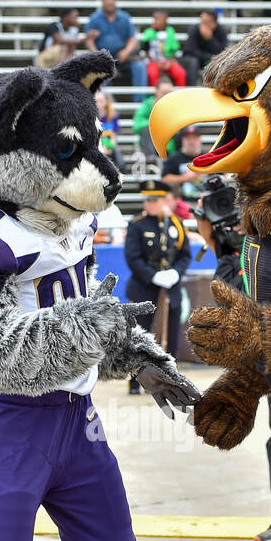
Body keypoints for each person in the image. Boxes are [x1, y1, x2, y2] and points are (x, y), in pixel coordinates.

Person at [124, 179, 190, 391]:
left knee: (170, 338)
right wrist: (153, 276)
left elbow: (185, 255)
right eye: (148, 199)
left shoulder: (176, 225)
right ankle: (136, 381)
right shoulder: (137, 224)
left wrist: (175, 273)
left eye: (155, 199)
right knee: (140, 336)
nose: (150, 203)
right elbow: (133, 258)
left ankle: (168, 379)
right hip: (145, 288)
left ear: (164, 200)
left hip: (170, 288)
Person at [85, 0, 146, 88]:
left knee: (140, 66)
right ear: (102, 1)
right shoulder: (94, 18)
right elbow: (89, 41)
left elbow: (132, 39)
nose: (109, 1)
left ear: (116, 0)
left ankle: (140, 101)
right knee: (101, 70)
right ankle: (108, 101)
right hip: (103, 57)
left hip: (122, 57)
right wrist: (98, 55)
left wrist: (126, 51)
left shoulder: (124, 17)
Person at [133, 74, 176, 163]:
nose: (166, 96)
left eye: (169, 93)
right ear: (156, 91)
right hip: (152, 144)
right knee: (145, 130)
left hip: (171, 145)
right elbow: (137, 125)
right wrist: (156, 124)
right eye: (163, 92)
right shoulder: (147, 105)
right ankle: (150, 160)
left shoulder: (176, 106)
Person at [140, 10, 185, 86]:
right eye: (155, 19)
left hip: (169, 61)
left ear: (166, 20)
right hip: (154, 61)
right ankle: (156, 96)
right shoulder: (149, 33)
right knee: (152, 73)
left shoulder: (171, 32)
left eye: (159, 19)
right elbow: (146, 51)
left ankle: (180, 94)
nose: (157, 21)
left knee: (180, 73)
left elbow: (174, 50)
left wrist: (170, 62)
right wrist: (156, 62)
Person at [161, 125, 205, 204]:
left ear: (200, 139)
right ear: (182, 140)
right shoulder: (173, 158)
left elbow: (223, 176)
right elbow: (164, 179)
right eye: (188, 138)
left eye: (194, 138)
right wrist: (185, 178)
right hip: (182, 203)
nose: (191, 141)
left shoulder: (208, 157)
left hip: (207, 202)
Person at [96, 87, 124, 169]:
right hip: (96, 145)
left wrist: (110, 147)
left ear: (106, 102)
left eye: (101, 101)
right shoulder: (91, 117)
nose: (98, 104)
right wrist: (101, 148)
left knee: (118, 157)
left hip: (109, 144)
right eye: (96, 101)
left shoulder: (113, 116)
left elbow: (113, 136)